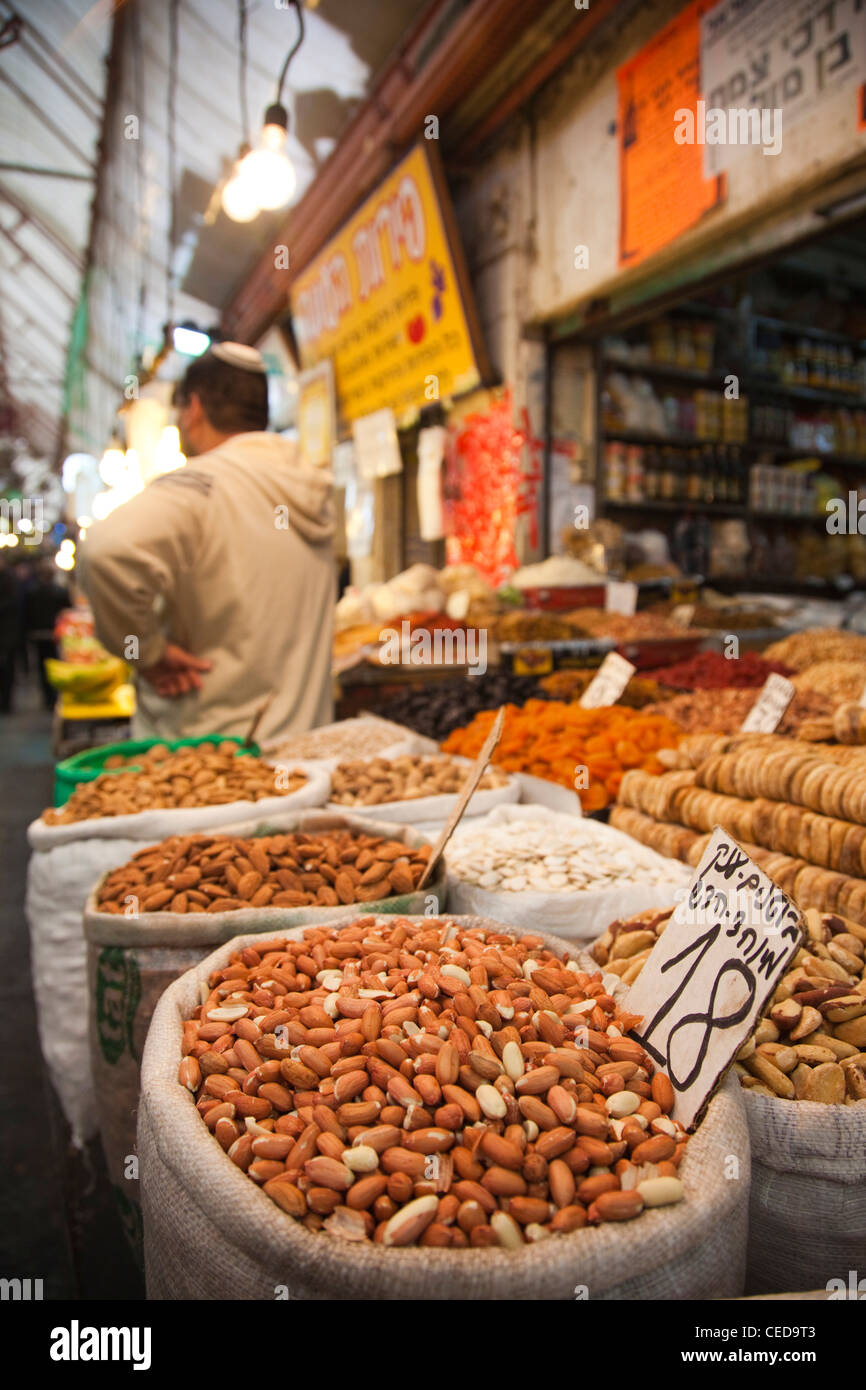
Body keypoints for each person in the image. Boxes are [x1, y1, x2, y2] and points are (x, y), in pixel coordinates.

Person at [79, 343, 336, 744]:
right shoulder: (310, 483)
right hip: (304, 758)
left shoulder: (196, 485)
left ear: (194, 408)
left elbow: (105, 549)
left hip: (208, 765)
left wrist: (146, 651)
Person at [25, 559, 69, 709]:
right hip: (53, 633)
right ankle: (54, 695)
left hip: (38, 634)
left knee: (42, 666)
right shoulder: (59, 591)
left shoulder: (32, 591)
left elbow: (26, 614)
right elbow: (66, 611)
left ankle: (48, 696)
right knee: (54, 664)